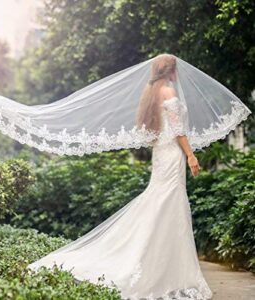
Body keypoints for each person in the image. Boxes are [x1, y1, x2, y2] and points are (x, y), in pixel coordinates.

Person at [27, 54, 213, 300]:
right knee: (168, 204)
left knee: (160, 203)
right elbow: (178, 130)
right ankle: (165, 271)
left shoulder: (151, 92)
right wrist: (191, 156)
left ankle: (165, 270)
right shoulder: (168, 91)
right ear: (170, 70)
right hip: (172, 155)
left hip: (161, 153)